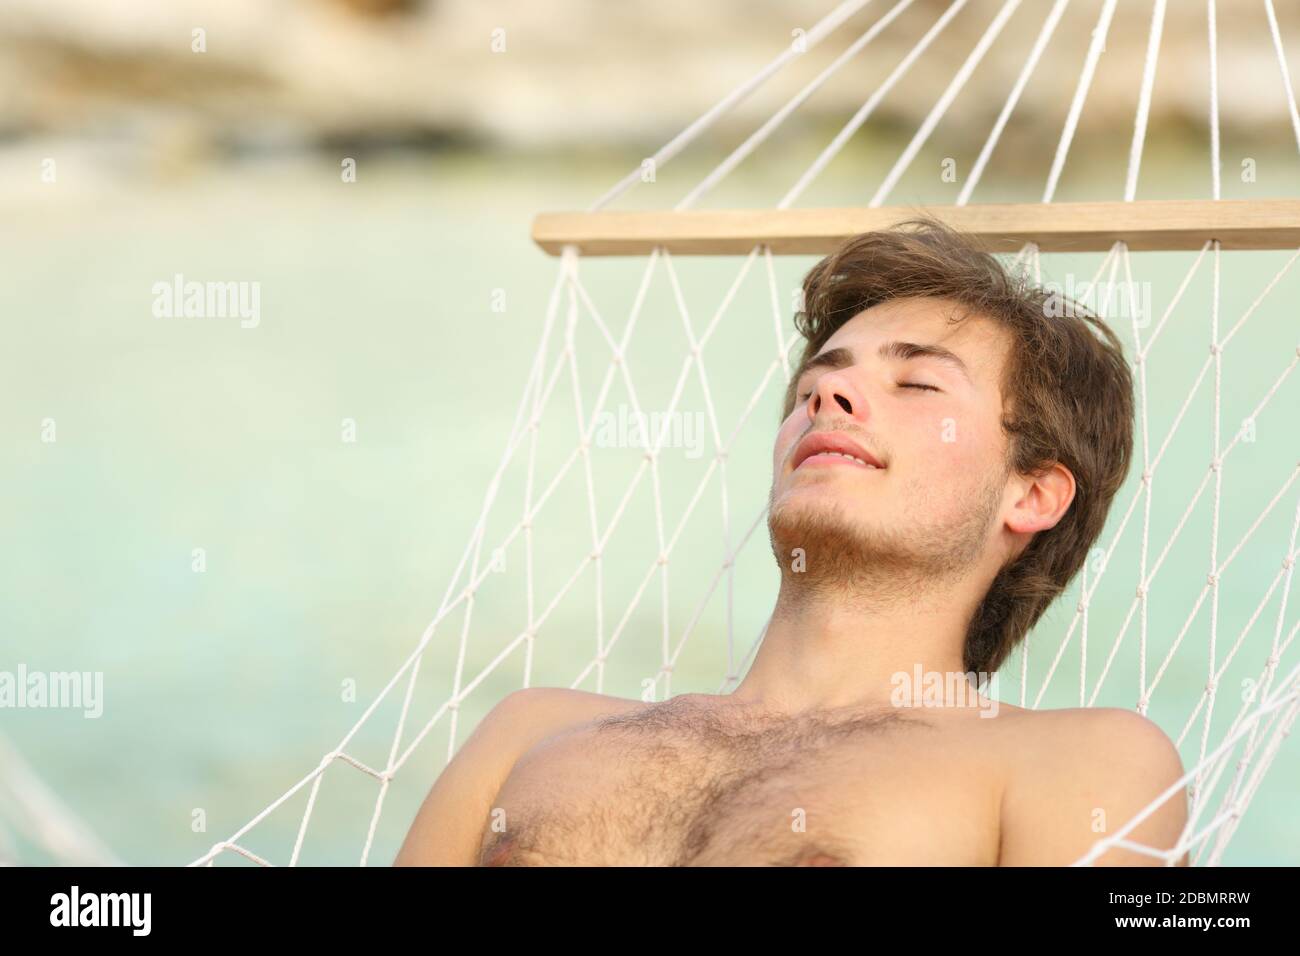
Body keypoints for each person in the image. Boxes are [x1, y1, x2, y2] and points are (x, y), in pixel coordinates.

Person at [395, 219, 1189, 866]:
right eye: (817, 379)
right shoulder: (533, 731)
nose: (825, 394)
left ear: (1032, 494)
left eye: (916, 383)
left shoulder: (1078, 763)